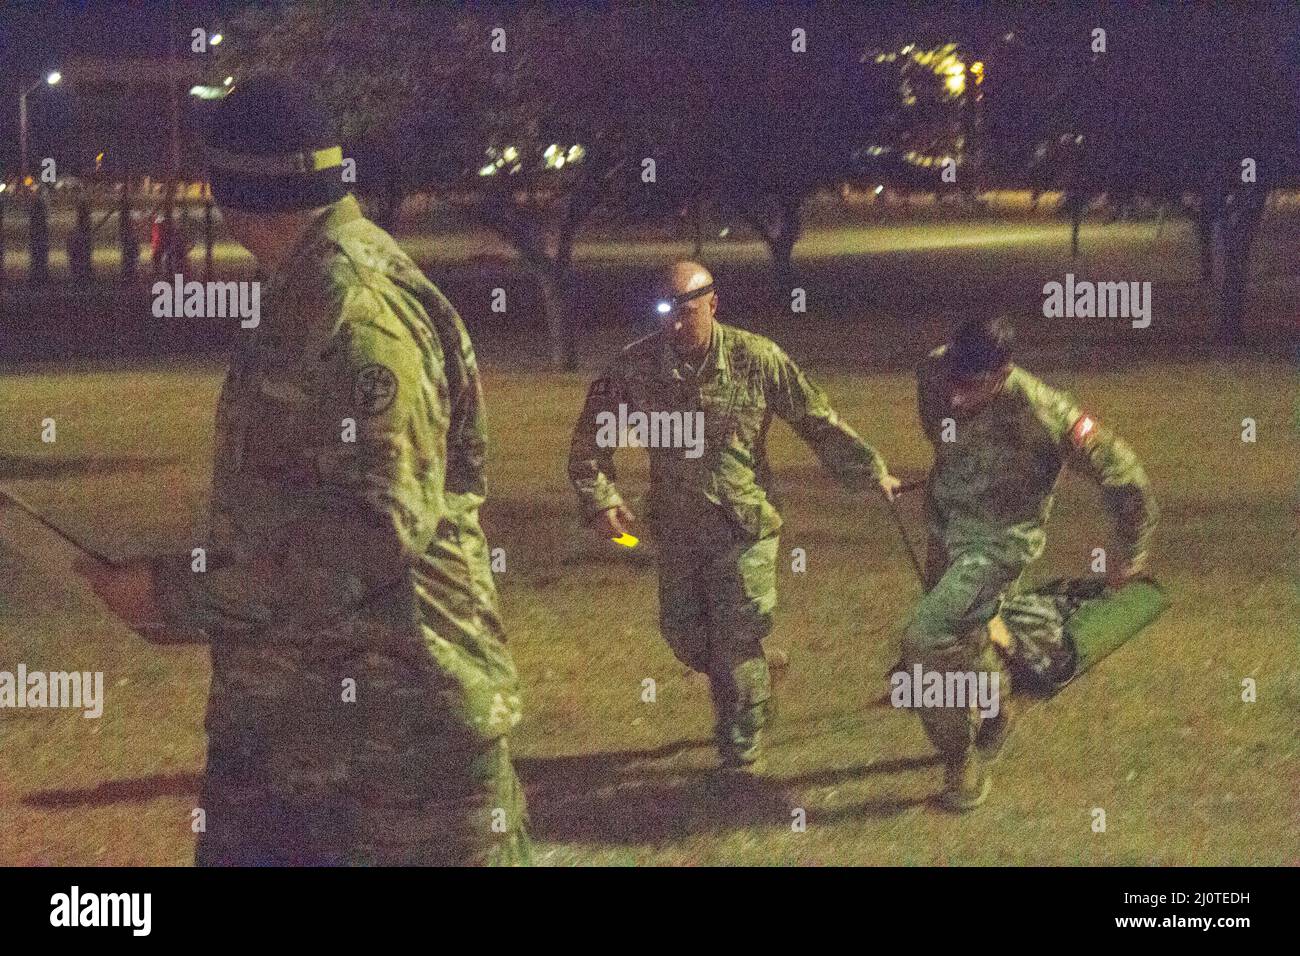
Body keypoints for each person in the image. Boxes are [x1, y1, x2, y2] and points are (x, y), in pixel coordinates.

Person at [91, 75, 530, 865]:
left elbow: (373, 532)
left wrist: (174, 598)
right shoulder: (307, 292)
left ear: (234, 192)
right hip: (295, 747)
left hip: (394, 761)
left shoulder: (357, 310)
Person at [569, 261, 899, 775]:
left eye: (686, 312)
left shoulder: (756, 359)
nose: (675, 325)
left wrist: (870, 471)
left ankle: (740, 747)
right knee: (683, 634)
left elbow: (815, 418)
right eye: (665, 314)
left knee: (735, 635)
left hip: (743, 525)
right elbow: (593, 435)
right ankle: (753, 672)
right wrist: (601, 497)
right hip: (676, 526)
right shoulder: (634, 366)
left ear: (712, 305)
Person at [903, 315, 1158, 811]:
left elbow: (1123, 470)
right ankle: (998, 705)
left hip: (1000, 544)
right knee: (966, 640)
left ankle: (962, 757)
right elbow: (942, 435)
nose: (955, 397)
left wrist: (1131, 552)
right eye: (953, 382)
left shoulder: (1046, 411)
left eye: (971, 387)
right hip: (947, 529)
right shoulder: (935, 371)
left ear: (1002, 375)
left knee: (926, 638)